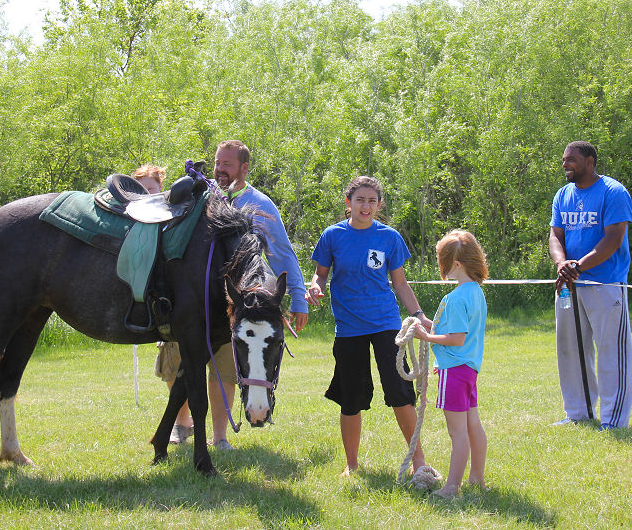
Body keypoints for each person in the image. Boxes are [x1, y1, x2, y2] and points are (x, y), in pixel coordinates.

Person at [155, 141, 309, 449]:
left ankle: (220, 436)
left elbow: (281, 252)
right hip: (188, 302)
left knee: (224, 370)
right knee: (178, 364)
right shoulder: (202, 198)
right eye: (217, 163)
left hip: (233, 308)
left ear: (244, 168)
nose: (220, 169)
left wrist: (299, 296)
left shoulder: (260, 203)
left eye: (227, 164)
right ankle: (180, 425)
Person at [306, 176, 427, 477]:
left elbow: (399, 283)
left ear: (379, 205)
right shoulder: (332, 236)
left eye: (372, 201)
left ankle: (419, 462)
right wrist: (314, 287)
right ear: (348, 203)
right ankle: (352, 465)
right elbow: (320, 275)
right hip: (349, 329)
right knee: (351, 397)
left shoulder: (389, 238)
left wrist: (419, 314)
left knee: (400, 392)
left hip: (386, 323)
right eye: (360, 200)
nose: (366, 206)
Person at [548, 141, 632, 430]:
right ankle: (578, 413)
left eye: (571, 159)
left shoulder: (613, 192)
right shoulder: (562, 195)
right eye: (563, 160)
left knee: (611, 353)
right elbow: (555, 236)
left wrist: (579, 266)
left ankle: (613, 420)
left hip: (606, 284)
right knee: (571, 350)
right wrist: (562, 264)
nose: (565, 164)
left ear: (590, 161)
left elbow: (612, 240)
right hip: (569, 286)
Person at [413, 230, 489, 499]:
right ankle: (477, 479)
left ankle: (451, 488)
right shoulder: (474, 292)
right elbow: (455, 331)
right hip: (467, 370)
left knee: (457, 433)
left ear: (455, 264)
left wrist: (426, 336)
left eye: (442, 261)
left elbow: (456, 339)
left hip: (454, 371)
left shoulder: (455, 298)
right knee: (472, 426)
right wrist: (429, 327)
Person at [132, 165, 195, 445]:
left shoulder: (177, 219)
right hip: (160, 308)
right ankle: (182, 421)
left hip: (181, 303)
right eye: (142, 189)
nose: (148, 193)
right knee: (170, 368)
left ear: (162, 189)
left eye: (152, 188)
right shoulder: (134, 224)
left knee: (186, 366)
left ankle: (184, 422)